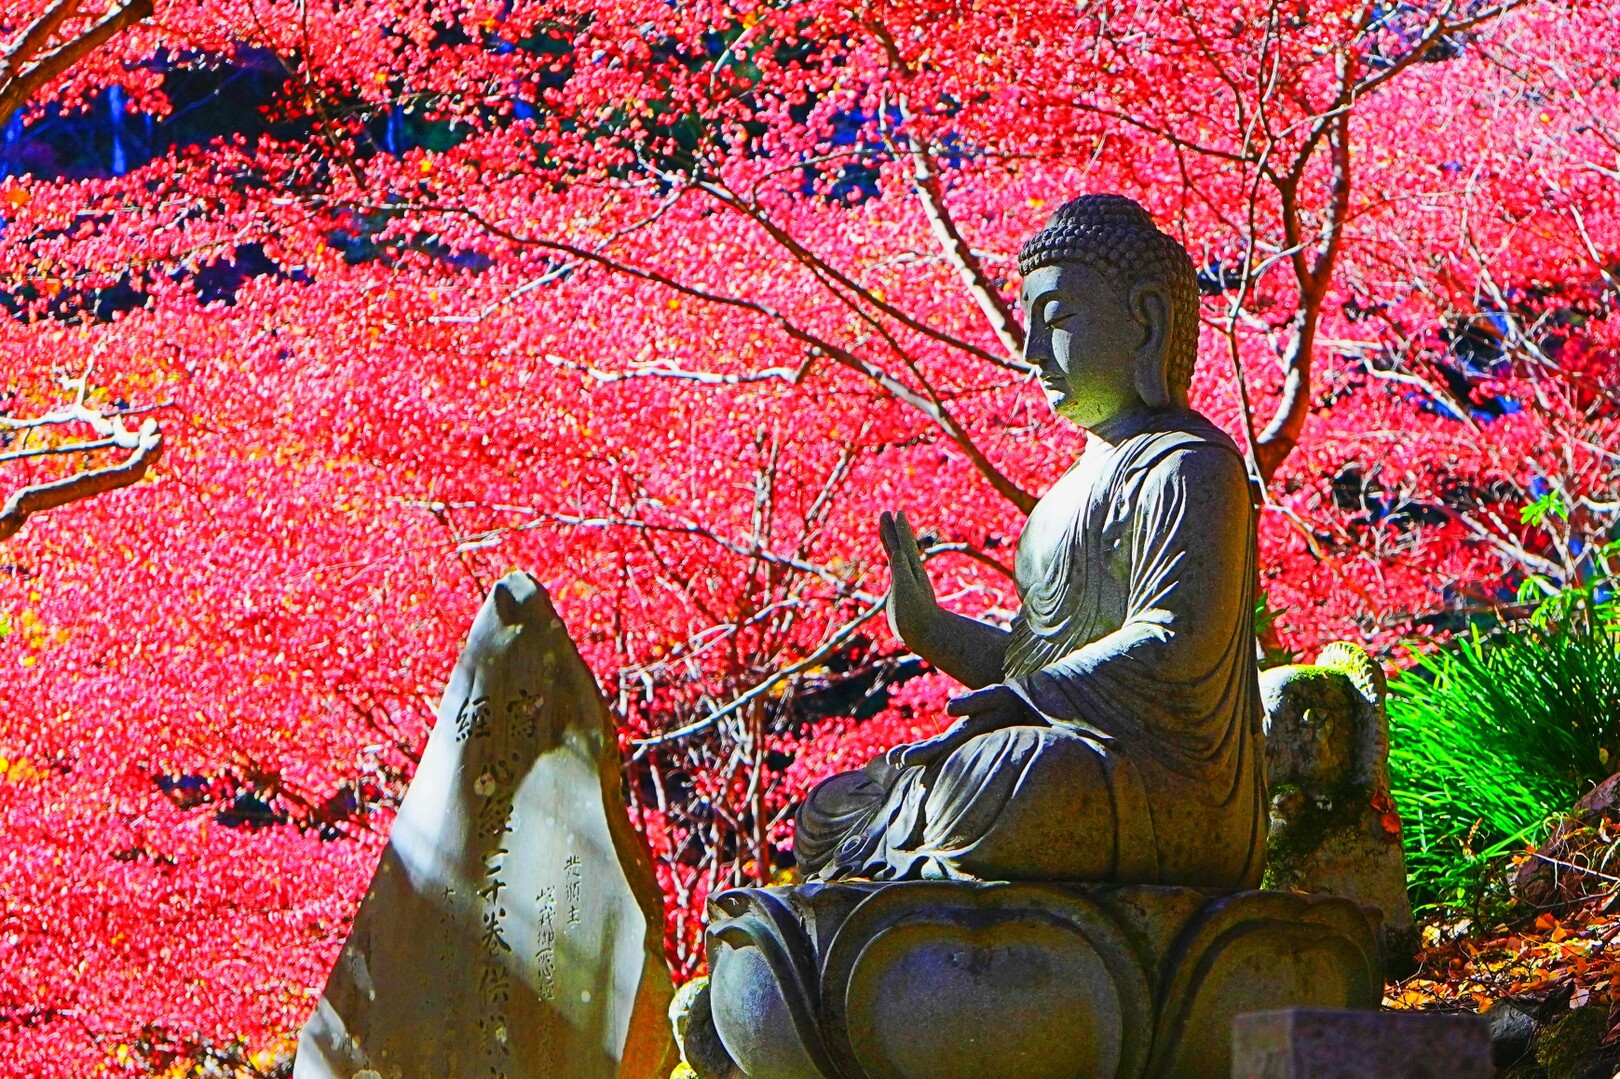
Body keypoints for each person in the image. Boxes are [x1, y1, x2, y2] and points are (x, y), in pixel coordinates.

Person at [794, 194, 1266, 889]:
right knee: (828, 809)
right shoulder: (1061, 497)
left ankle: (926, 868)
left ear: (1146, 322)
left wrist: (1032, 698)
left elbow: (1176, 640)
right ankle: (922, 863)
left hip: (1158, 783)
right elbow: (1027, 661)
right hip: (1065, 752)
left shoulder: (1191, 464)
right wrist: (932, 630)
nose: (1031, 351)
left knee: (986, 782)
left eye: (1059, 320)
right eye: (1028, 325)